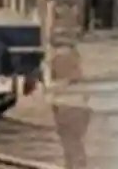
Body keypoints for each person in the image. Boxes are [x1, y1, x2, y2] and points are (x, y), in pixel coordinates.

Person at [49, 41, 91, 169]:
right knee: (75, 145)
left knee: (70, 146)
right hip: (75, 107)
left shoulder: (55, 62)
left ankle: (73, 165)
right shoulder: (76, 68)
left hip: (65, 108)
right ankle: (76, 165)